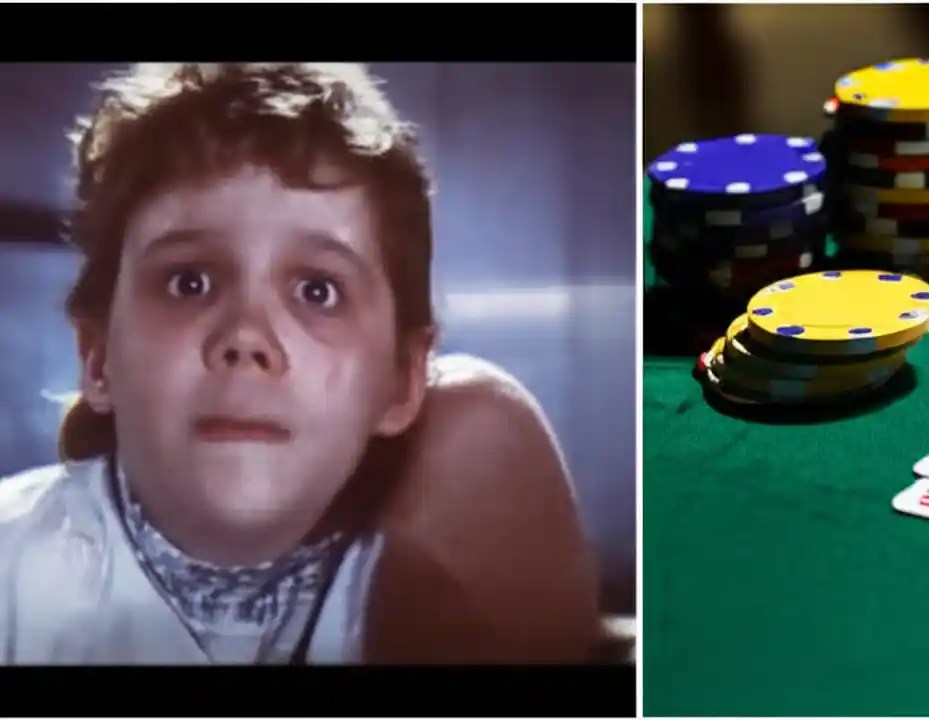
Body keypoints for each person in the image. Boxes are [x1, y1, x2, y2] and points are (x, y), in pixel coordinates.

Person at [0, 63, 601, 664]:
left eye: (319, 291)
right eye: (189, 282)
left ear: (400, 381)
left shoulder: (456, 567)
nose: (245, 338)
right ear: (98, 357)